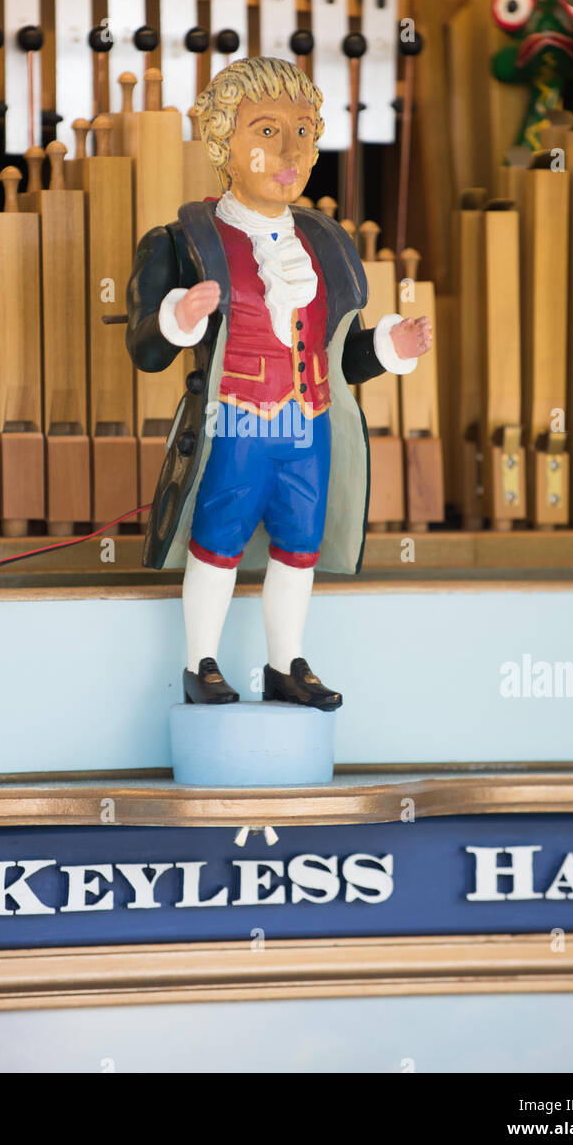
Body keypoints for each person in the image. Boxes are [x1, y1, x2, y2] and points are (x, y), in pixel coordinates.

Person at [126, 56, 432, 710]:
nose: (291, 149)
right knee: (218, 537)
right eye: (266, 131)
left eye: (304, 130)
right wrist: (178, 320)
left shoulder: (325, 242)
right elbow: (145, 347)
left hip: (308, 423)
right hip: (236, 417)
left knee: (299, 545)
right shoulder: (183, 242)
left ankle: (285, 663)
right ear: (222, 145)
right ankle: (199, 662)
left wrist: (387, 345)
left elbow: (338, 351)